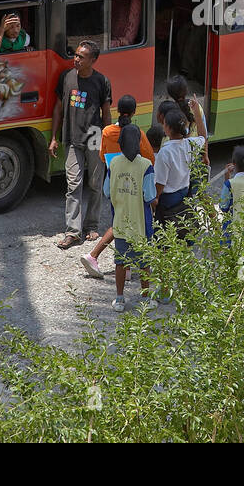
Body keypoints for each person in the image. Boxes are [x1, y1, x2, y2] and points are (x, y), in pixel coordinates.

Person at [80, 94, 156, 279]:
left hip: (115, 183)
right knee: (125, 226)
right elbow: (150, 158)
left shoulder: (106, 132)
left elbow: (101, 155)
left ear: (117, 110)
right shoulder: (138, 134)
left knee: (120, 223)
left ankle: (125, 268)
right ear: (134, 112)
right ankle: (93, 256)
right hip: (134, 185)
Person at [50, 40, 112, 249]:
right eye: (76, 55)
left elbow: (106, 113)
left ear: (93, 60)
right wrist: (54, 137)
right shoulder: (66, 77)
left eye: (81, 57)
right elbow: (58, 108)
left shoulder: (102, 81)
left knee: (95, 184)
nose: (76, 59)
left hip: (95, 138)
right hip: (72, 138)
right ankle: (73, 232)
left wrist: (108, 140)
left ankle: (92, 226)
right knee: (73, 184)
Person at [103, 124, 156, 312]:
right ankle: (145, 298)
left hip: (120, 223)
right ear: (140, 142)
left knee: (120, 262)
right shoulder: (146, 166)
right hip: (141, 224)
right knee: (144, 264)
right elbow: (149, 196)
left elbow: (106, 191)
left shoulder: (114, 164)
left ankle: (119, 299)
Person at [153, 107, 209, 236]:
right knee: (182, 229)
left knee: (167, 236)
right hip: (184, 193)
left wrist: (155, 199)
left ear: (167, 128)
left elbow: (160, 183)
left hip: (168, 199)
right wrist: (197, 113)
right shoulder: (190, 144)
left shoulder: (165, 152)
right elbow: (203, 136)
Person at [219, 144, 244, 245]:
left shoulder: (230, 184)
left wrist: (227, 177)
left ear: (234, 164)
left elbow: (223, 207)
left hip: (232, 231)